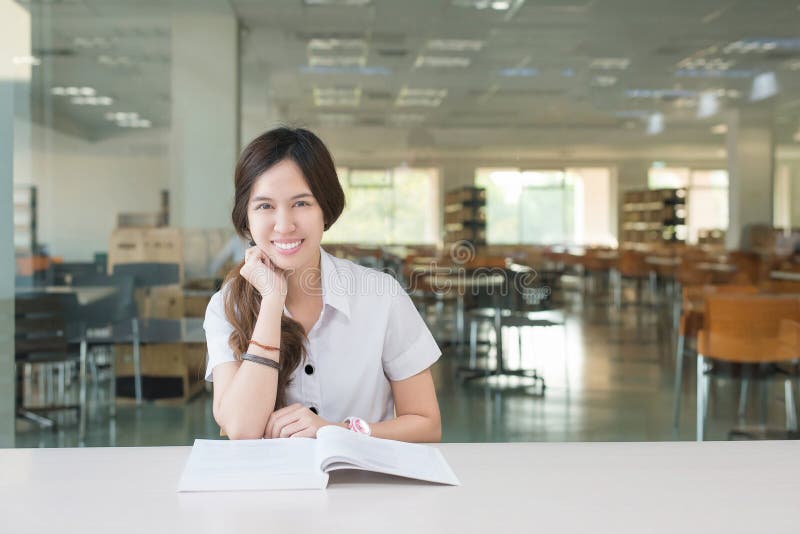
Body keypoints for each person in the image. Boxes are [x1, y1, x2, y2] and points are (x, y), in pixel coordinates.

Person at [204, 127, 442, 442]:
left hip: (364, 486)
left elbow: (426, 425)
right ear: (246, 218)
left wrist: (336, 432)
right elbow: (241, 428)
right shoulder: (227, 306)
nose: (284, 224)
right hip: (269, 489)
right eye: (265, 206)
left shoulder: (382, 297)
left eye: (301, 203)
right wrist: (272, 303)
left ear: (325, 210)